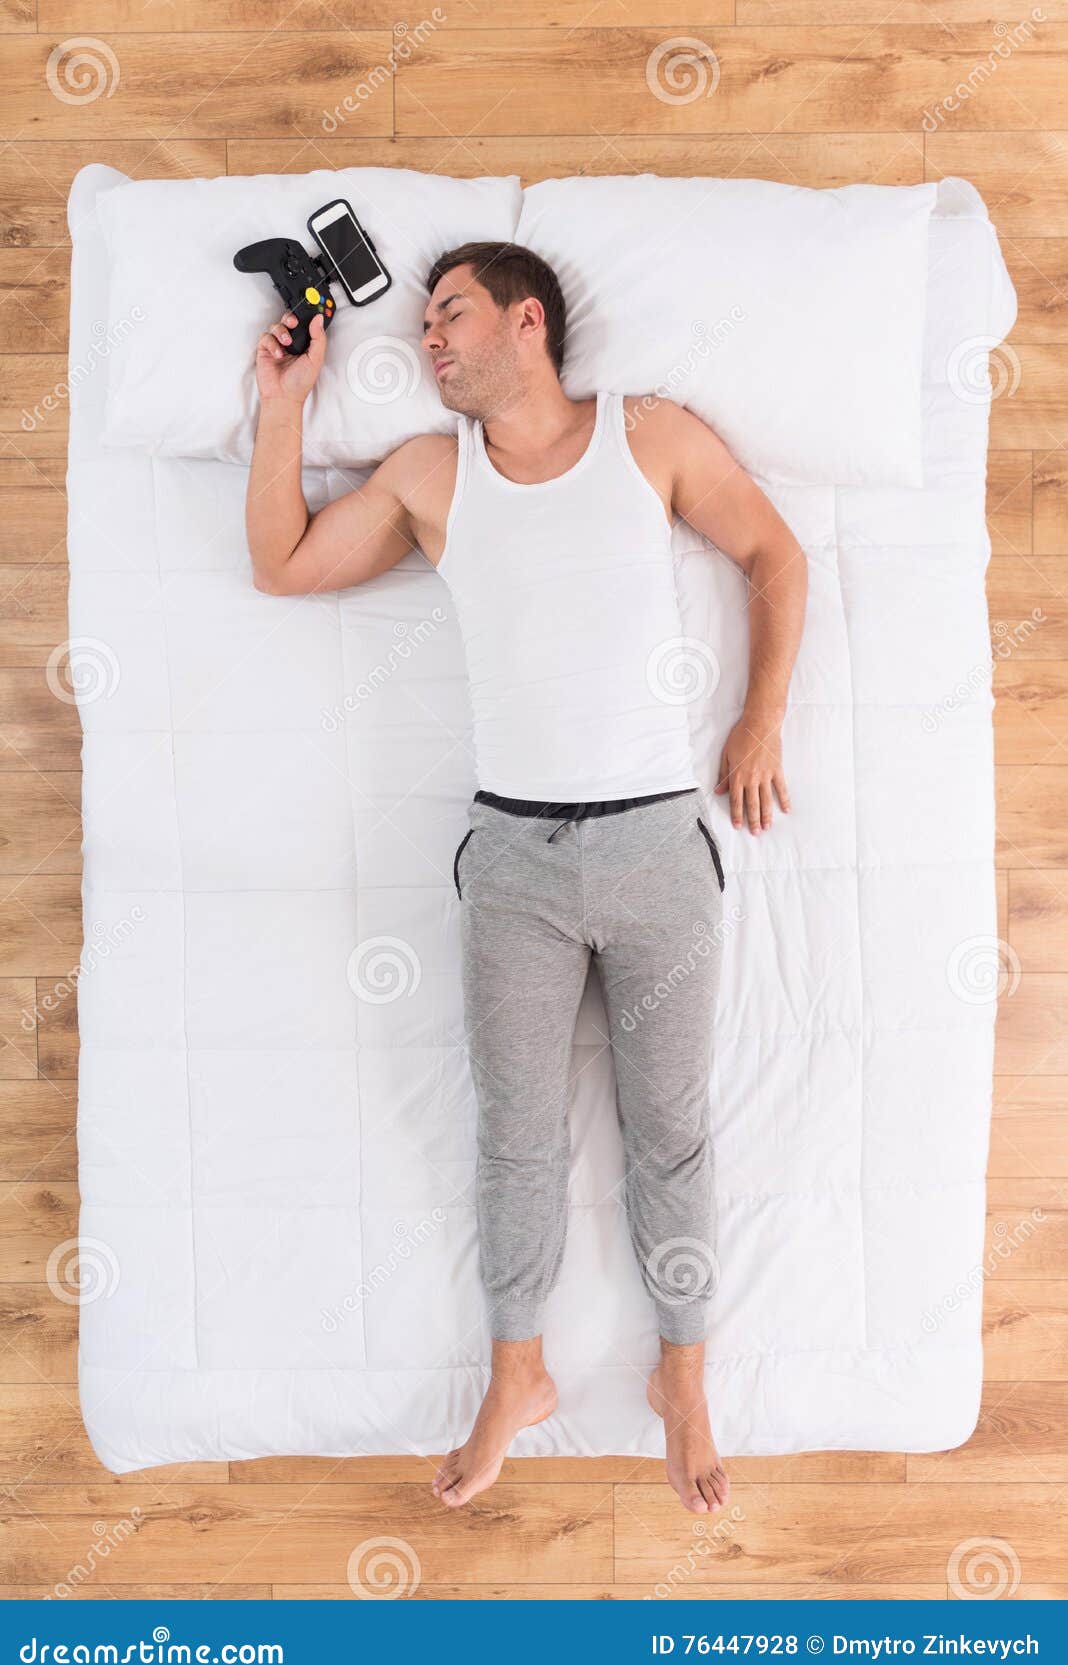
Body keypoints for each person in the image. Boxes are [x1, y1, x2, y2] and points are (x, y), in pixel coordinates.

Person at [246, 241, 807, 1515]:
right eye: (426, 326)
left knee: (674, 1130)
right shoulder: (429, 475)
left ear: (527, 322)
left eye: (449, 317)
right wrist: (283, 405)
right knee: (517, 1136)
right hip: (513, 859)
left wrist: (759, 721)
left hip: (661, 844)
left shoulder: (650, 438)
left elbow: (778, 558)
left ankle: (685, 1377)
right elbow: (280, 565)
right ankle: (518, 1376)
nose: (427, 341)